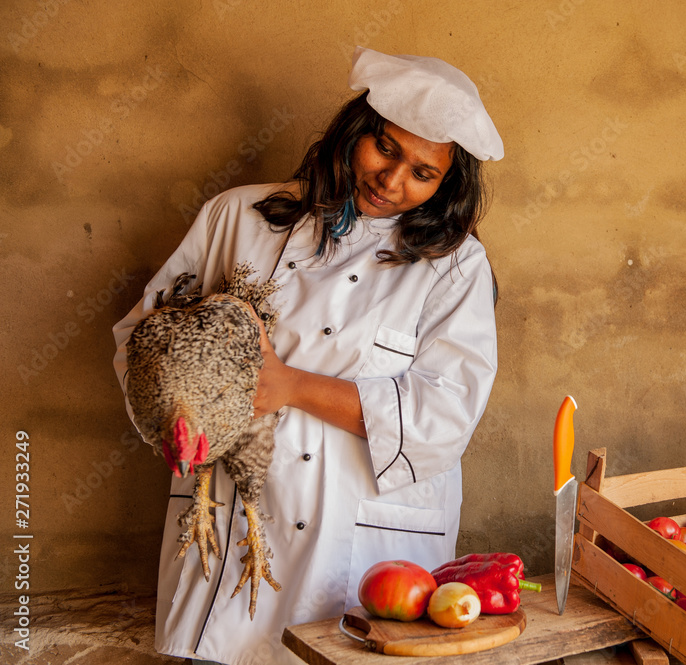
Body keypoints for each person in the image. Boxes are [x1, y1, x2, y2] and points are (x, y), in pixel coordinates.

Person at [112, 46, 503, 665]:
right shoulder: (237, 216)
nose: (393, 180)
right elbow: (144, 339)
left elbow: (443, 416)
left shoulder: (454, 267)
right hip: (235, 515)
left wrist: (288, 385)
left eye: (423, 173)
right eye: (385, 148)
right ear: (353, 132)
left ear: (445, 184)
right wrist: (177, 413)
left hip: (357, 535)